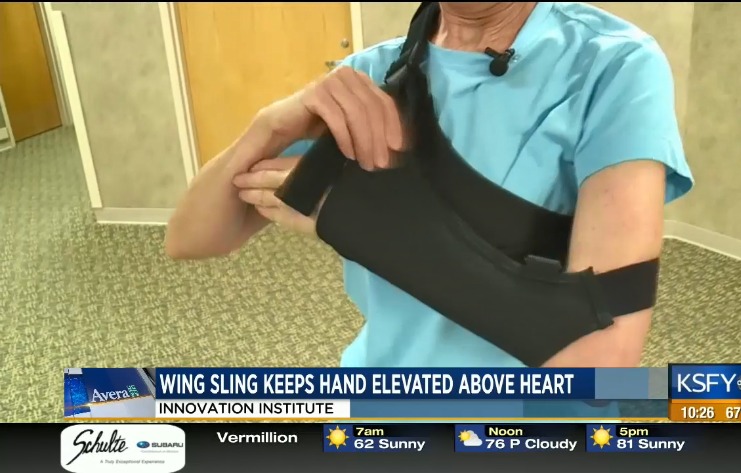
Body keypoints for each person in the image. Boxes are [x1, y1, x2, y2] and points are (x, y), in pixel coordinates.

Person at [166, 2, 693, 414]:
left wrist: (366, 219)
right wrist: (267, 127)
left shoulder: (613, 65)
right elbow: (189, 238)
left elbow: (600, 364)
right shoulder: (371, 76)